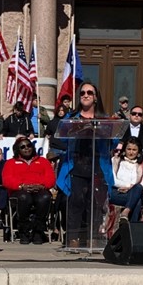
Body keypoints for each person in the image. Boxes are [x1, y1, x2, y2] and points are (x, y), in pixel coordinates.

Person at [55, 81, 118, 248]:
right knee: (76, 202)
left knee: (96, 203)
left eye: (89, 93)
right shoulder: (72, 118)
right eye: (82, 93)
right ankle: (73, 239)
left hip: (98, 166)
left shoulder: (104, 119)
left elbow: (114, 142)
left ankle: (93, 238)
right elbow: (62, 137)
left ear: (95, 97)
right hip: (77, 166)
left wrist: (109, 129)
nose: (86, 95)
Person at [2, 137, 55, 244]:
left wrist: (42, 186)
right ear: (18, 149)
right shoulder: (10, 163)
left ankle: (38, 231)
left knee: (45, 198)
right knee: (24, 198)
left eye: (28, 145)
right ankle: (23, 231)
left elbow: (51, 178)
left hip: (39, 189)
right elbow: (7, 180)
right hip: (20, 190)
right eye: (23, 147)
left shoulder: (43, 161)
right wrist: (21, 186)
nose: (26, 148)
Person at [110, 137, 143, 222]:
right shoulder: (116, 161)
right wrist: (128, 186)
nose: (131, 152)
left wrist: (130, 189)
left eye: (134, 150)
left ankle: (126, 212)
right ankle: (132, 230)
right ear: (124, 150)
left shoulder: (142, 165)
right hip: (117, 192)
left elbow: (142, 185)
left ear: (138, 152)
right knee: (136, 200)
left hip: (133, 193)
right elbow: (113, 181)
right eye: (129, 149)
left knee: (138, 192)